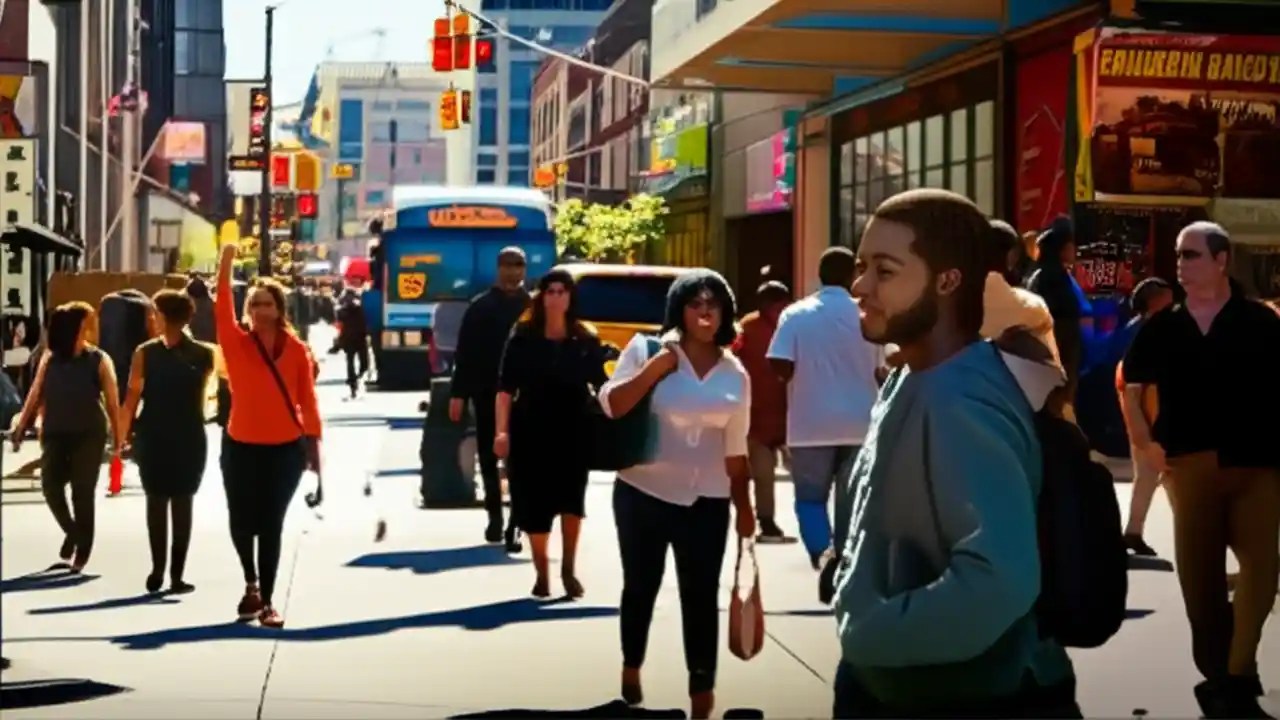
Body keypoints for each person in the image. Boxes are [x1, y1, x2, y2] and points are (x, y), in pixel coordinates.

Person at [834, 189, 1078, 717]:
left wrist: (870, 633)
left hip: (969, 695)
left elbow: (1000, 578)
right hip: (906, 687)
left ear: (947, 281)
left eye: (884, 271)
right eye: (861, 267)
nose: (860, 286)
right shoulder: (914, 378)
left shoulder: (960, 399)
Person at [1122, 222, 1280, 719]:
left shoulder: (1260, 321)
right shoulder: (1163, 326)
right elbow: (1131, 389)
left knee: (1262, 569)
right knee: (1200, 581)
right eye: (1178, 255)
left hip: (1256, 464)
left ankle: (1237, 672)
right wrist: (1144, 443)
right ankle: (1218, 673)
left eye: (1191, 255)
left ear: (1221, 260)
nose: (1181, 265)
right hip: (1187, 465)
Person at [599, 269, 755, 720]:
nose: (705, 312)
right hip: (642, 491)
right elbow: (612, 405)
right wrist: (656, 370)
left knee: (701, 597)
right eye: (695, 304)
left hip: (708, 501)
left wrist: (746, 509)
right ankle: (631, 665)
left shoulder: (735, 373)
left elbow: (737, 450)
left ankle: (701, 697)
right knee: (640, 586)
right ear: (679, 311)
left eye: (713, 304)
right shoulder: (647, 350)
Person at [215, 243, 323, 629]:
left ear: (279, 309)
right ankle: (251, 582)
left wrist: (315, 450)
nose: (260, 310)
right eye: (255, 304)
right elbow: (221, 307)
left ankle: (268, 602)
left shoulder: (296, 351)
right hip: (240, 446)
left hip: (285, 450)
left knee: (271, 522)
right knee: (241, 520)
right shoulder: (236, 344)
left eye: (267, 303)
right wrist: (226, 264)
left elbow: (308, 401)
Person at [494, 269, 607, 598]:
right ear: (541, 297)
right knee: (535, 504)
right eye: (551, 291)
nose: (556, 297)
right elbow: (505, 390)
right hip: (531, 429)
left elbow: (602, 385)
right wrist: (501, 433)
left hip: (573, 429)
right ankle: (542, 572)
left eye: (562, 291)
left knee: (572, 501)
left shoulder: (584, 339)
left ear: (571, 297)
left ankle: (568, 568)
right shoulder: (523, 338)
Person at [766, 247, 880, 569]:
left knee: (811, 498)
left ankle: (823, 553)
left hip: (811, 424)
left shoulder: (796, 314)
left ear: (820, 274)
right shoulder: (868, 315)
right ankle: (846, 557)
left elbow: (779, 363)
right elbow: (885, 367)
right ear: (853, 275)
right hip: (860, 423)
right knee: (852, 497)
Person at [11, 302, 124, 573]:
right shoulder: (49, 359)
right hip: (55, 432)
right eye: (87, 324)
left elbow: (112, 402)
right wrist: (21, 426)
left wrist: (118, 440)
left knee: (82, 493)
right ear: (74, 328)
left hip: (89, 433)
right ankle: (74, 533)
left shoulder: (99, 359)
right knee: (51, 486)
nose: (91, 329)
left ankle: (82, 553)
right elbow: (35, 393)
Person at [119, 289, 215, 594]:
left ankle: (176, 574)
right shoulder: (145, 353)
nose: (151, 319)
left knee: (182, 502)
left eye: (155, 313)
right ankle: (158, 568)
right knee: (156, 501)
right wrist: (122, 437)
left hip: (188, 436)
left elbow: (210, 395)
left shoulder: (203, 354)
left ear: (166, 317)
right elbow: (132, 398)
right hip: (154, 435)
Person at [449, 247, 531, 553]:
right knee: (487, 456)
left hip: (524, 396)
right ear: (498, 268)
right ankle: (494, 516)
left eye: (518, 265)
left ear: (524, 269)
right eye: (507, 265)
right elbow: (465, 353)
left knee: (520, 461)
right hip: (486, 393)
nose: (513, 271)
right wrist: (458, 394)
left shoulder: (532, 307)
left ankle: (516, 523)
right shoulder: (481, 307)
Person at [1111, 277, 1174, 558]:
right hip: (1148, 407)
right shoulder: (1150, 332)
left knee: (1149, 474)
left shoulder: (1135, 329)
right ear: (1155, 301)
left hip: (1142, 406)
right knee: (1167, 473)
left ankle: (1133, 531)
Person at [730, 280, 793, 542]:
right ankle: (762, 520)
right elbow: (731, 357)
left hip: (785, 415)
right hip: (753, 416)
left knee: (788, 474)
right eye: (775, 306)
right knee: (761, 472)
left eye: (783, 306)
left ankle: (768, 519)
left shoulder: (791, 326)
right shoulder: (747, 328)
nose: (779, 311)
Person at [1027, 216, 1090, 415]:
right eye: (1070, 246)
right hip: (1058, 353)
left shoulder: (1051, 275)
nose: (1074, 251)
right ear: (1061, 249)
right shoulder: (1052, 278)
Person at [335, 289, 370, 399]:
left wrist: (339, 340)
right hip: (359, 338)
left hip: (350, 338)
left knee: (351, 361)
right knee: (362, 362)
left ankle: (353, 381)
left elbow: (339, 326)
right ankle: (356, 380)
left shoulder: (342, 311)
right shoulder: (360, 309)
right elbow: (365, 323)